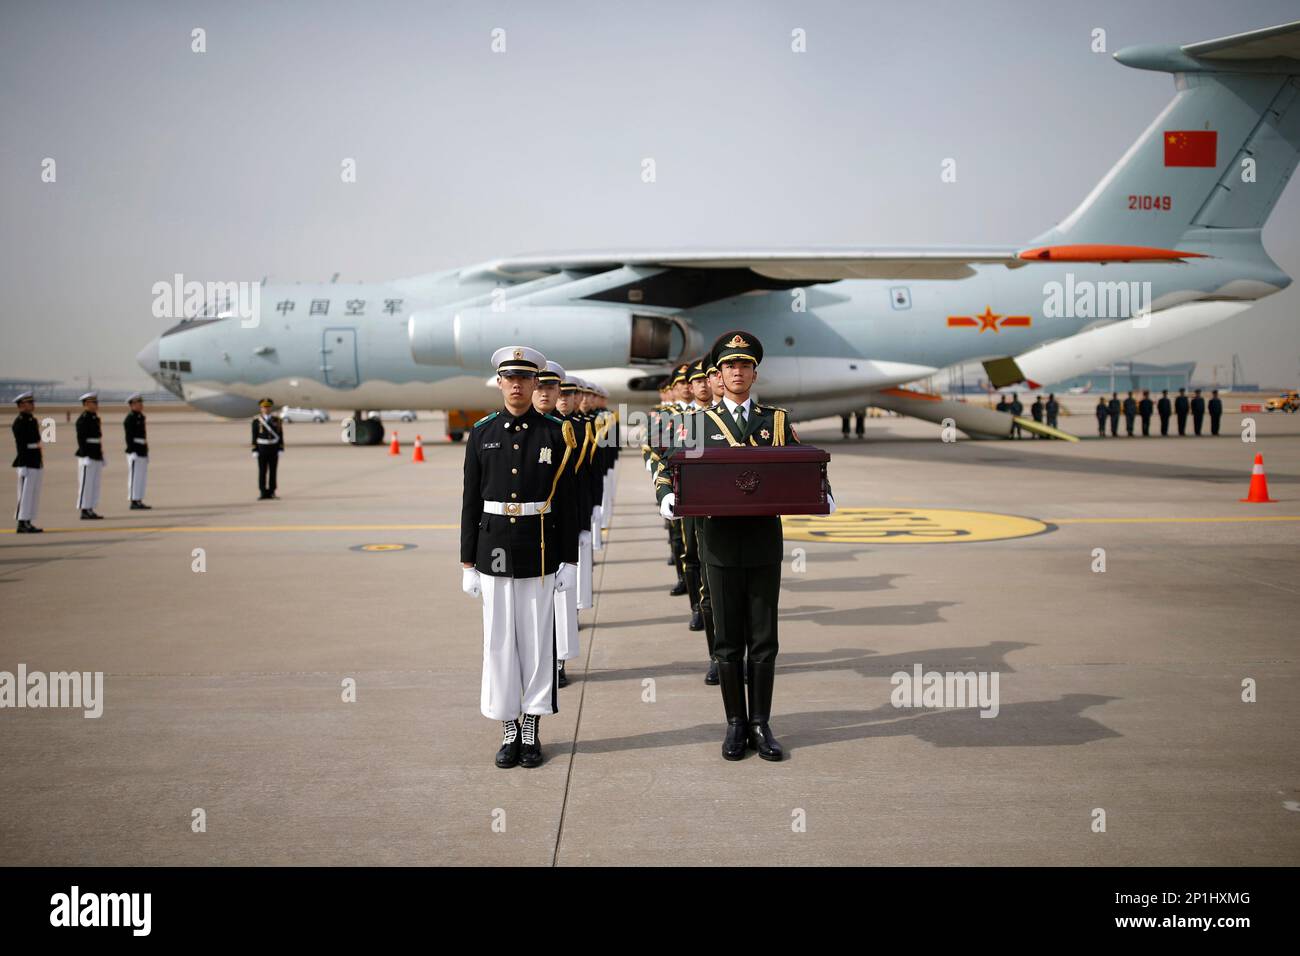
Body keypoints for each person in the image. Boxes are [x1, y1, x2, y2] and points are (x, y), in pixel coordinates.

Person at [656, 330, 835, 762]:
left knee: (764, 637)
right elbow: (669, 469)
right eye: (729, 366)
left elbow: (801, 462)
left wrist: (823, 488)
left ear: (754, 372)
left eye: (745, 365)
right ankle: (736, 723)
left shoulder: (775, 421)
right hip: (717, 542)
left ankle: (762, 722)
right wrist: (665, 495)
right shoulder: (696, 424)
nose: (737, 372)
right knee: (728, 640)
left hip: (761, 542)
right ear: (718, 374)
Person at [461, 346, 578, 769]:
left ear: (534, 384)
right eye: (509, 378)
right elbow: (470, 501)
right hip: (491, 549)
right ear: (499, 383)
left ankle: (531, 726)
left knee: (534, 641)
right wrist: (466, 563)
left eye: (524, 379)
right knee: (498, 642)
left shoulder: (554, 433)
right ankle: (508, 726)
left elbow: (568, 502)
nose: (516, 385)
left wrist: (569, 560)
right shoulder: (481, 432)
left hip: (540, 547)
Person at [11, 391, 43, 533]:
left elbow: (36, 441)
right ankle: (21, 522)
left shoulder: (32, 420)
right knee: (24, 494)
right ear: (21, 405)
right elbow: (21, 446)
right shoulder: (19, 422)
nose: (32, 405)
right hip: (26, 462)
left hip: (35, 461)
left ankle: (28, 520)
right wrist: (23, 464)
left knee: (32, 494)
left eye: (32, 402)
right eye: (30, 403)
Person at [74, 392, 105, 519]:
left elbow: (97, 438)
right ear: (86, 404)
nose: (96, 405)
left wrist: (100, 454)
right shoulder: (83, 419)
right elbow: (81, 439)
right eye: (94, 402)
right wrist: (85, 455)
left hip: (95, 454)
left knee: (94, 484)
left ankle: (90, 507)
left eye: (97, 402)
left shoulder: (94, 418)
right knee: (86, 484)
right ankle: (84, 509)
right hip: (87, 456)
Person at [251, 399, 284, 499]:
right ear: (261, 409)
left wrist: (281, 448)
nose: (266, 409)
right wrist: (254, 449)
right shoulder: (256, 421)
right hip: (262, 448)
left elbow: (280, 435)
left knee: (273, 471)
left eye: (268, 407)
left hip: (273, 448)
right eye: (264, 407)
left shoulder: (276, 420)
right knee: (262, 471)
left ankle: (272, 491)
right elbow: (254, 436)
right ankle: (263, 492)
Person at [123, 392, 151, 509]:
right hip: (134, 451)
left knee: (141, 478)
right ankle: (133, 500)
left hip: (141, 451)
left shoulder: (140, 417)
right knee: (134, 477)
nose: (141, 404)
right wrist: (132, 451)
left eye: (141, 402)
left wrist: (146, 451)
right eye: (138, 402)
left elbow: (143, 436)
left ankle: (139, 499)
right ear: (132, 404)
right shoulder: (130, 419)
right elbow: (129, 437)